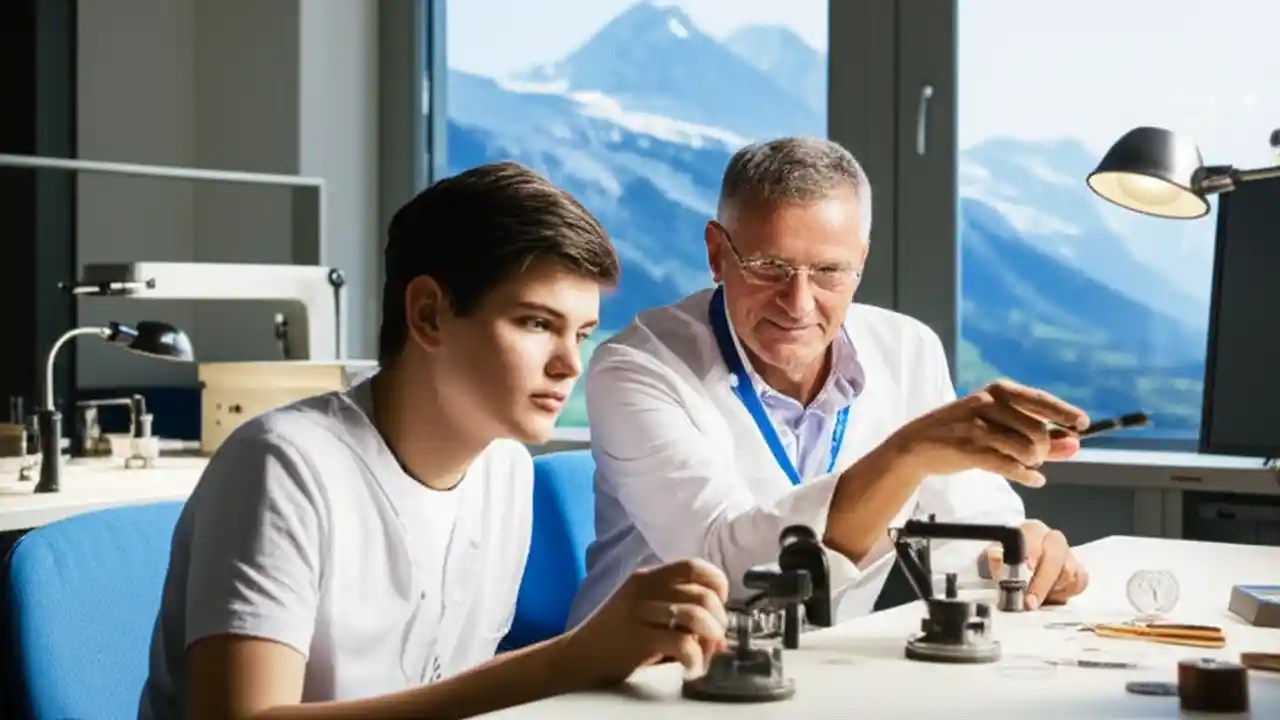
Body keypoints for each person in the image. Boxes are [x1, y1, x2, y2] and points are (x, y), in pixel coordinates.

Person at [138, 162, 730, 720]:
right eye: (536, 323)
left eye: (581, 333)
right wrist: (568, 661)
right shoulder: (283, 466)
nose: (569, 364)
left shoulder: (507, 470)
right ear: (427, 315)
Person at [567, 137, 1091, 629]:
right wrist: (905, 456)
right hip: (641, 680)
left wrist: (1017, 550)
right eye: (769, 267)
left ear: (861, 259)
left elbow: (968, 526)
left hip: (812, 671)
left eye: (829, 271)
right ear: (715, 253)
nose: (798, 303)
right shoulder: (637, 367)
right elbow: (722, 568)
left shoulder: (907, 349)